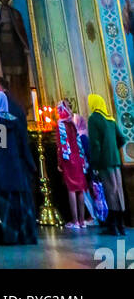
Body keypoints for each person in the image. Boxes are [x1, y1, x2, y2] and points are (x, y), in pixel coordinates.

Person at [0, 90, 37, 246]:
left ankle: (10, 236)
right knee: (21, 205)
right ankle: (26, 235)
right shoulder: (14, 120)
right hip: (17, 168)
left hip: (3, 169)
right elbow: (23, 145)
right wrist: (30, 165)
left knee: (7, 207)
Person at [87, 93, 127, 237]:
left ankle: (113, 226)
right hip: (115, 161)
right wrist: (113, 150)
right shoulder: (110, 119)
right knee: (119, 192)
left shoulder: (94, 119)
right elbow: (122, 139)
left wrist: (95, 164)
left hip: (104, 162)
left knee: (110, 192)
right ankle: (121, 225)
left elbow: (95, 144)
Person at [55, 101, 86, 229]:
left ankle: (75, 221)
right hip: (78, 158)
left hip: (69, 160)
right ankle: (82, 220)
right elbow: (78, 142)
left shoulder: (61, 125)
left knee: (72, 189)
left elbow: (62, 145)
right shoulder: (72, 123)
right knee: (80, 189)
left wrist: (60, 162)